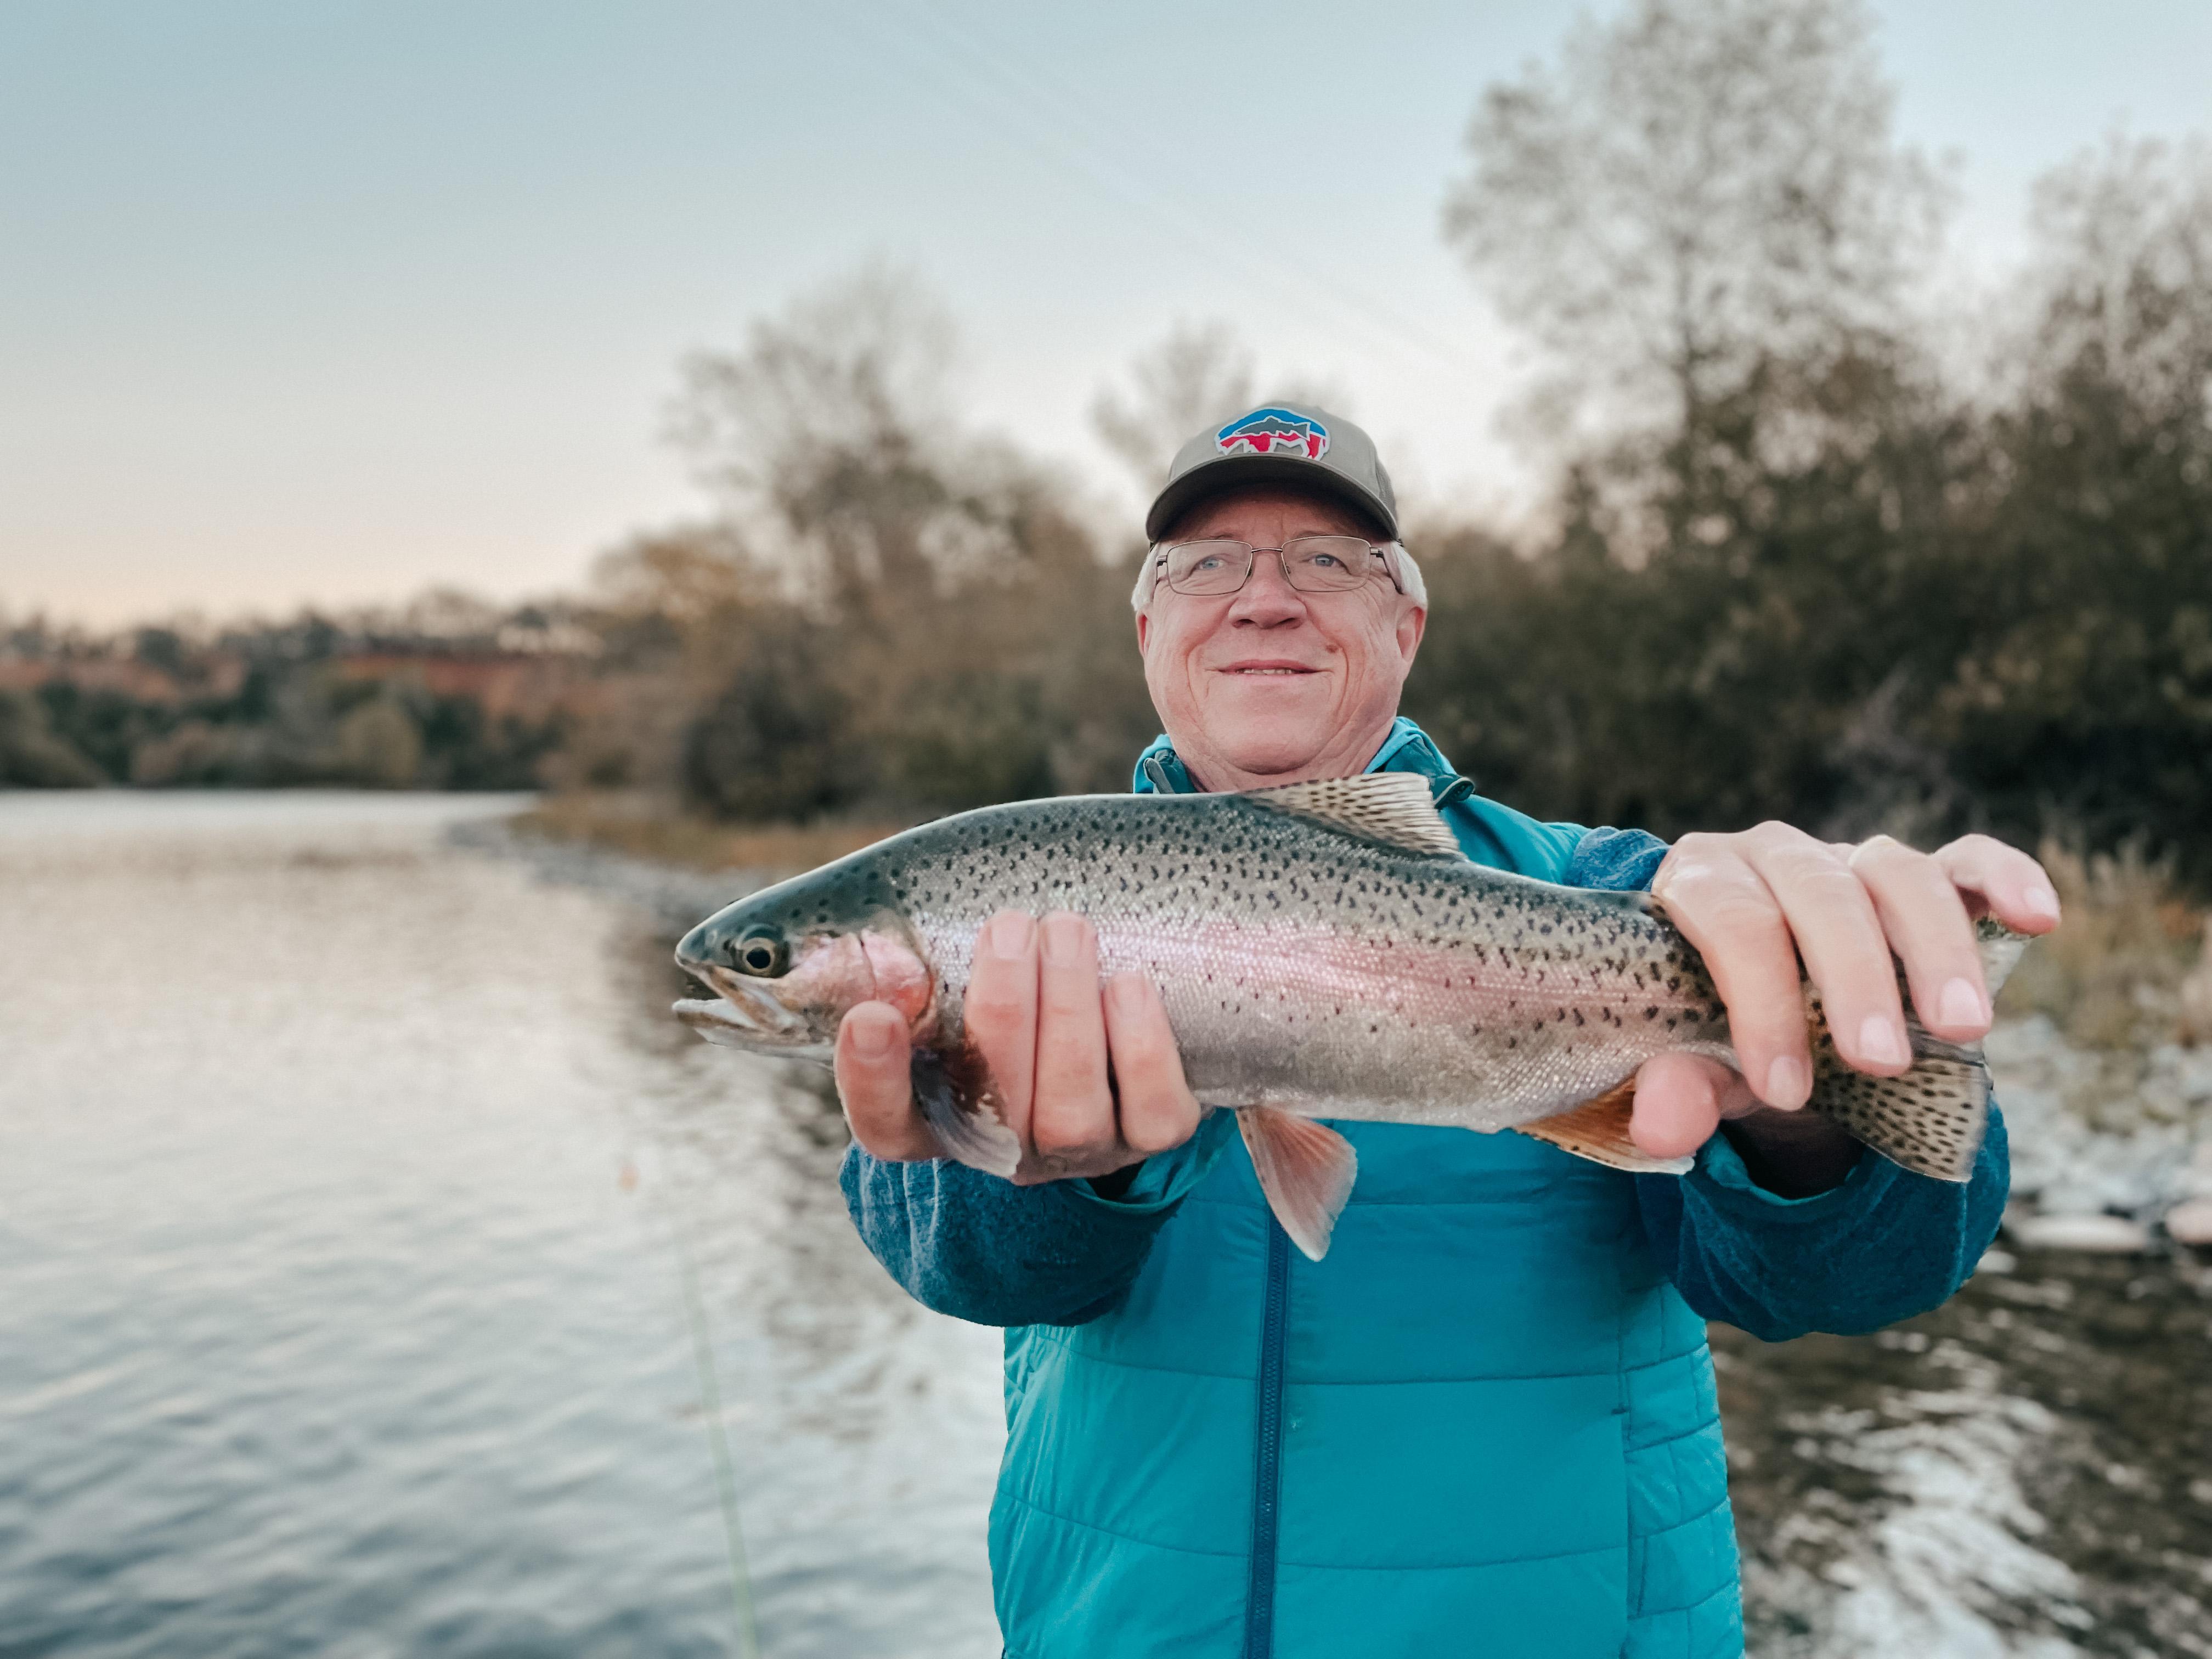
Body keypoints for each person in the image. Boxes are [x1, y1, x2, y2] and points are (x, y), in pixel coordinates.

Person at [832, 403, 2057, 1658]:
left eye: (1325, 561)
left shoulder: (1625, 897)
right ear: (1149, 630)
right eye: (1207, 564)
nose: (1263, 599)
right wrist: (1056, 1167)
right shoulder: (1015, 904)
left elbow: (1861, 1282)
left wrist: (1805, 1097)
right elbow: (967, 1270)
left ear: (1404, 626)